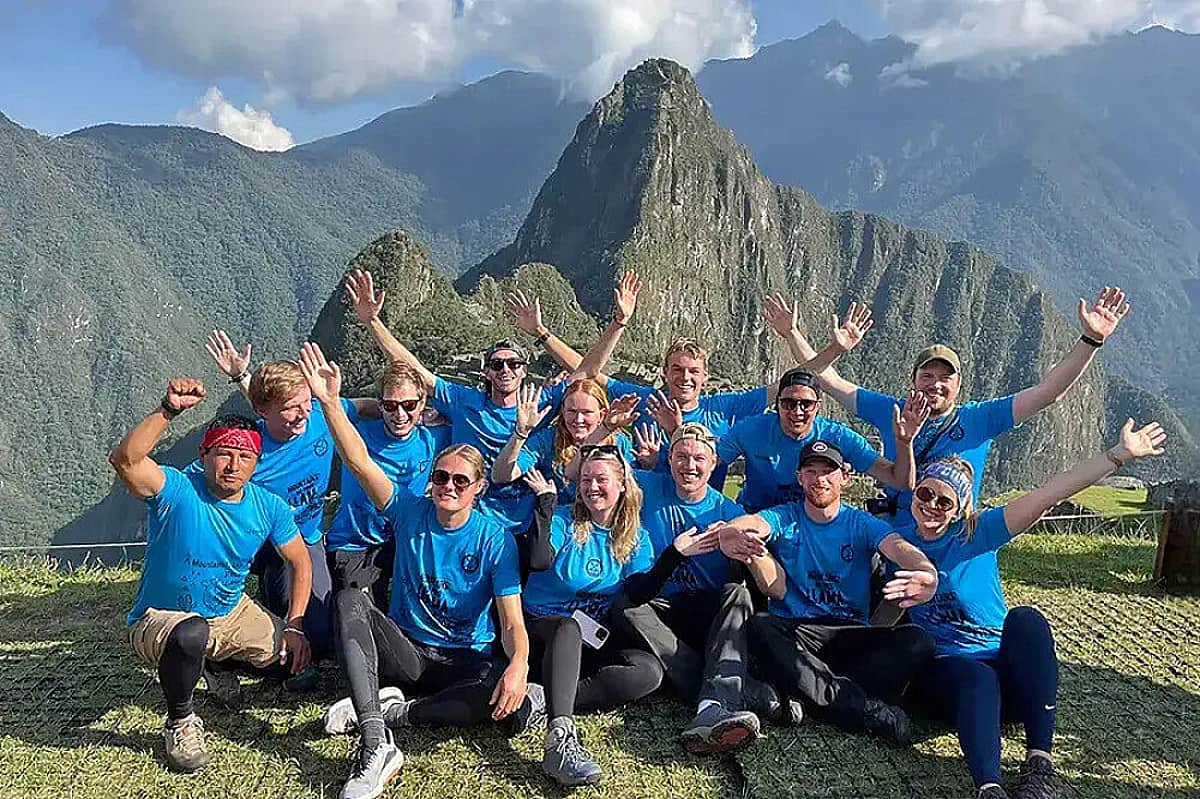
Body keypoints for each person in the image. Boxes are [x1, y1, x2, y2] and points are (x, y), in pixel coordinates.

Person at [297, 344, 536, 799]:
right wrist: (329, 403)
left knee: (510, 708)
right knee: (349, 600)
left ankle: (398, 711)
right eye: (441, 477)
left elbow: (511, 623)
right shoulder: (408, 510)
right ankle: (375, 741)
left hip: (464, 657)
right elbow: (359, 462)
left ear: (479, 487)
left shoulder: (494, 539)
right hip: (408, 650)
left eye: (460, 480)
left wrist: (519, 664)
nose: (448, 486)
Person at [895, 419, 1165, 799]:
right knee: (976, 676)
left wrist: (1117, 456)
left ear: (959, 510)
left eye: (945, 501)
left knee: (1027, 619)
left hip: (1008, 683)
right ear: (914, 493)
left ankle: (1039, 765)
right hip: (949, 679)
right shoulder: (895, 544)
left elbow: (1048, 494)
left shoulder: (978, 533)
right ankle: (989, 789)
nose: (931, 506)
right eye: (925, 493)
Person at [762, 288, 1131, 526]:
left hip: (951, 534)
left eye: (945, 378)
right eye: (927, 375)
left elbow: (1048, 393)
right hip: (894, 531)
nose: (935, 384)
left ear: (958, 385)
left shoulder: (981, 419)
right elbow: (828, 380)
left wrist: (1091, 340)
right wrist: (793, 334)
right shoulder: (890, 410)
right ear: (913, 380)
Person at [109, 378, 313, 773]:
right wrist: (168, 410)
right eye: (223, 454)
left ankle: (214, 665)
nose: (233, 465)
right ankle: (180, 721)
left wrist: (295, 626)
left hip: (230, 612)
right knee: (192, 633)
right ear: (204, 455)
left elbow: (301, 563)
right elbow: (126, 461)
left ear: (257, 462)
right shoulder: (177, 490)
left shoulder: (268, 506)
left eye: (244, 456)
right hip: (161, 618)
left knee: (292, 662)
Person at [344, 270, 640, 537]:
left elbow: (588, 371)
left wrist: (619, 322)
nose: (505, 370)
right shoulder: (463, 400)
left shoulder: (539, 401)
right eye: (497, 365)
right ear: (486, 372)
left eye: (514, 364)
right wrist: (372, 322)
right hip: (478, 521)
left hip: (528, 523)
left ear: (523, 371)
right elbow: (416, 371)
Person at [718, 440, 939, 745]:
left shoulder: (861, 523)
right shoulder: (786, 517)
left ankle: (805, 694)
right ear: (799, 477)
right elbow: (754, 523)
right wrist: (731, 531)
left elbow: (899, 547)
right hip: (799, 633)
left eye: (828, 471)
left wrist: (927, 572)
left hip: (850, 633)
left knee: (918, 641)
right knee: (760, 627)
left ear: (845, 477)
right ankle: (862, 709)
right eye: (811, 471)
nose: (819, 479)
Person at [204, 331, 378, 664]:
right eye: (291, 409)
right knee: (280, 619)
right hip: (264, 542)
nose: (302, 414)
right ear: (262, 411)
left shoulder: (322, 418)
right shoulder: (249, 452)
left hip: (308, 536)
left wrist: (402, 411)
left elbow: (361, 407)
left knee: (322, 635)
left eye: (306, 403)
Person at [507, 283, 772, 490]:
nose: (685, 377)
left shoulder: (727, 407)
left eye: (694, 371)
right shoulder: (645, 400)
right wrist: (542, 333)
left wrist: (789, 333)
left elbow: (789, 388)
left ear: (706, 376)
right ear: (664, 373)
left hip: (703, 513)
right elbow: (588, 372)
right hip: (647, 513)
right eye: (677, 369)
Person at [614, 422, 775, 755]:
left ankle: (713, 702)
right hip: (658, 607)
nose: (690, 466)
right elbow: (597, 471)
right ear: (669, 459)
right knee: (624, 607)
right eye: (681, 456)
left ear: (713, 463)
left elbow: (763, 575)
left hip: (705, 614)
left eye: (699, 458)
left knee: (738, 594)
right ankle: (726, 695)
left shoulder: (729, 512)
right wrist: (607, 426)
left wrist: (737, 547)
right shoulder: (645, 486)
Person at [521, 449, 663, 787]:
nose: (592, 487)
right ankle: (560, 738)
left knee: (648, 671)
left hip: (592, 638)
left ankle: (541, 698)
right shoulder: (562, 520)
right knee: (568, 628)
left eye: (601, 479)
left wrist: (673, 556)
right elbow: (538, 560)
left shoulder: (635, 537)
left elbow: (638, 591)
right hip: (543, 630)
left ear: (622, 485)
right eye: (586, 479)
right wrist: (545, 503)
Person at [325, 362, 451, 609]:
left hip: (404, 542)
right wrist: (362, 405)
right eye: (391, 405)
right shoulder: (356, 435)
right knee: (361, 614)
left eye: (409, 405)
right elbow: (319, 412)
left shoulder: (434, 438)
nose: (400, 415)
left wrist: (444, 415)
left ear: (423, 403)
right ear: (380, 404)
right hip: (356, 544)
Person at [718, 368, 930, 512]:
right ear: (777, 404)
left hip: (811, 523)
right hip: (755, 516)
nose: (797, 411)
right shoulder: (750, 430)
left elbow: (900, 482)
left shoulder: (837, 436)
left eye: (806, 404)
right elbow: (710, 461)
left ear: (818, 406)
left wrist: (904, 443)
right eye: (789, 403)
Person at [492, 379, 639, 506]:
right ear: (562, 411)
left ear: (602, 415)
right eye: (571, 411)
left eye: (586, 412)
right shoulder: (549, 439)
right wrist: (520, 433)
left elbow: (633, 485)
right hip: (557, 517)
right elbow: (501, 476)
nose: (578, 419)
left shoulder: (618, 442)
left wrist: (647, 463)